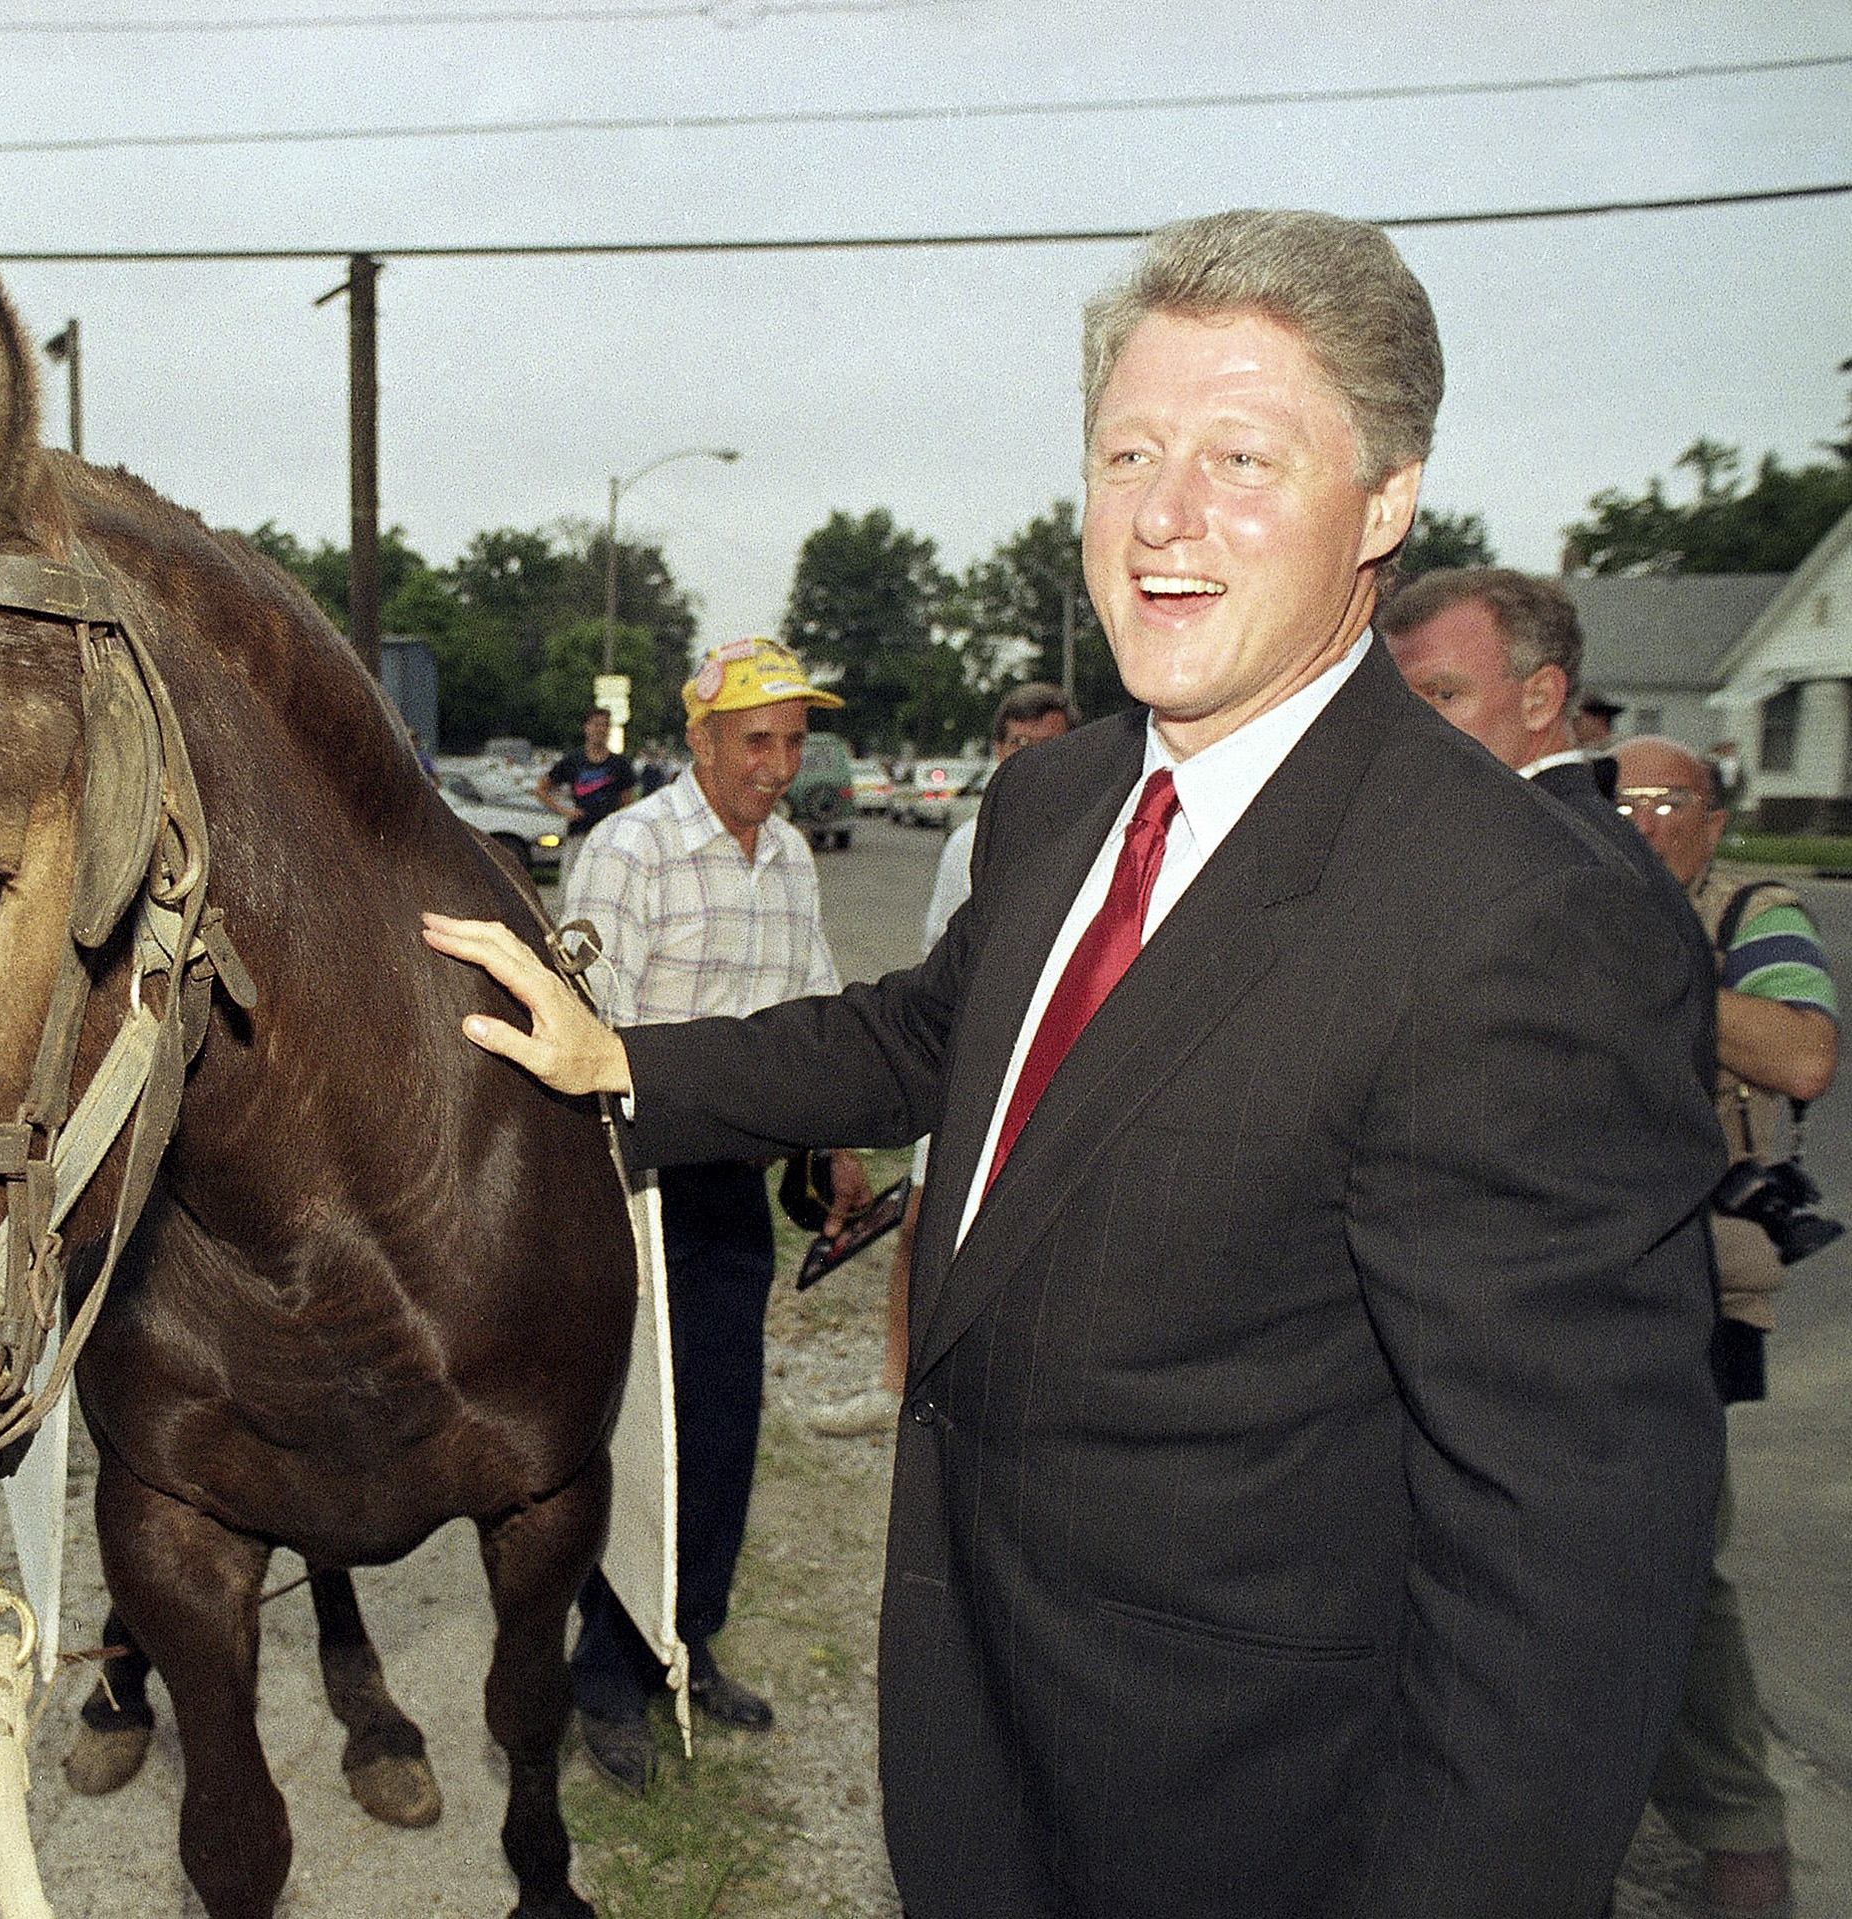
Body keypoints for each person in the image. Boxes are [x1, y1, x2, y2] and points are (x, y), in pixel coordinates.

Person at [425, 208, 1723, 1916]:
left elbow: (1567, 1570)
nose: (1163, 516)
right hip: (982, 1730)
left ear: (1384, 500)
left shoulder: (1518, 916)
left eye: (1240, 455)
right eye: (1128, 453)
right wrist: (621, 1062)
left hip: (1244, 1810)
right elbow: (916, 1033)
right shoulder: (1056, 798)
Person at [554, 635, 868, 1794]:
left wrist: (831, 1141)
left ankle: (689, 1640)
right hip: (638, 1176)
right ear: (697, 742)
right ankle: (604, 1674)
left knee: (725, 1423)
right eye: (756, 739)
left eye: (792, 740)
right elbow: (588, 1032)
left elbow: (817, 1002)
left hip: (737, 1179)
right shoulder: (627, 849)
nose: (778, 765)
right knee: (639, 1431)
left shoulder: (787, 855)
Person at [1613, 735, 1838, 1918]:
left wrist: (1640, 974)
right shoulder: (1575, 888)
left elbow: (1803, 1051)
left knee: (1676, 1567)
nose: (1643, 819)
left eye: (1670, 800)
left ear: (1711, 815)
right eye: (1627, 797)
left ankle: (1744, 1843)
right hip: (1578, 1286)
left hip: (1698, 1289)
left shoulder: (1756, 909)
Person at [810, 681, 1077, 1440]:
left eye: (1048, 743)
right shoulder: (968, 840)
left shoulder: (1108, 831)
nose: (1031, 759)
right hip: (968, 1065)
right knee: (923, 1227)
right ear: (998, 751)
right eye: (1018, 745)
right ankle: (894, 1382)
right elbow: (938, 964)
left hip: (1057, 1074)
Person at [1380, 566, 1688, 902]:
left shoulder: (1546, 862)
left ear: (1540, 699)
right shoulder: (1578, 841)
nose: (1403, 721)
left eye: (1444, 694)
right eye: (1395, 698)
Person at [535, 704, 638, 833]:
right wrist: (563, 810)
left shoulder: (620, 763)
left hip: (609, 832)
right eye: (596, 725)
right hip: (579, 831)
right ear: (586, 727)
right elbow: (541, 789)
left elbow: (627, 802)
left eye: (605, 725)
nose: (600, 729)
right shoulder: (573, 760)